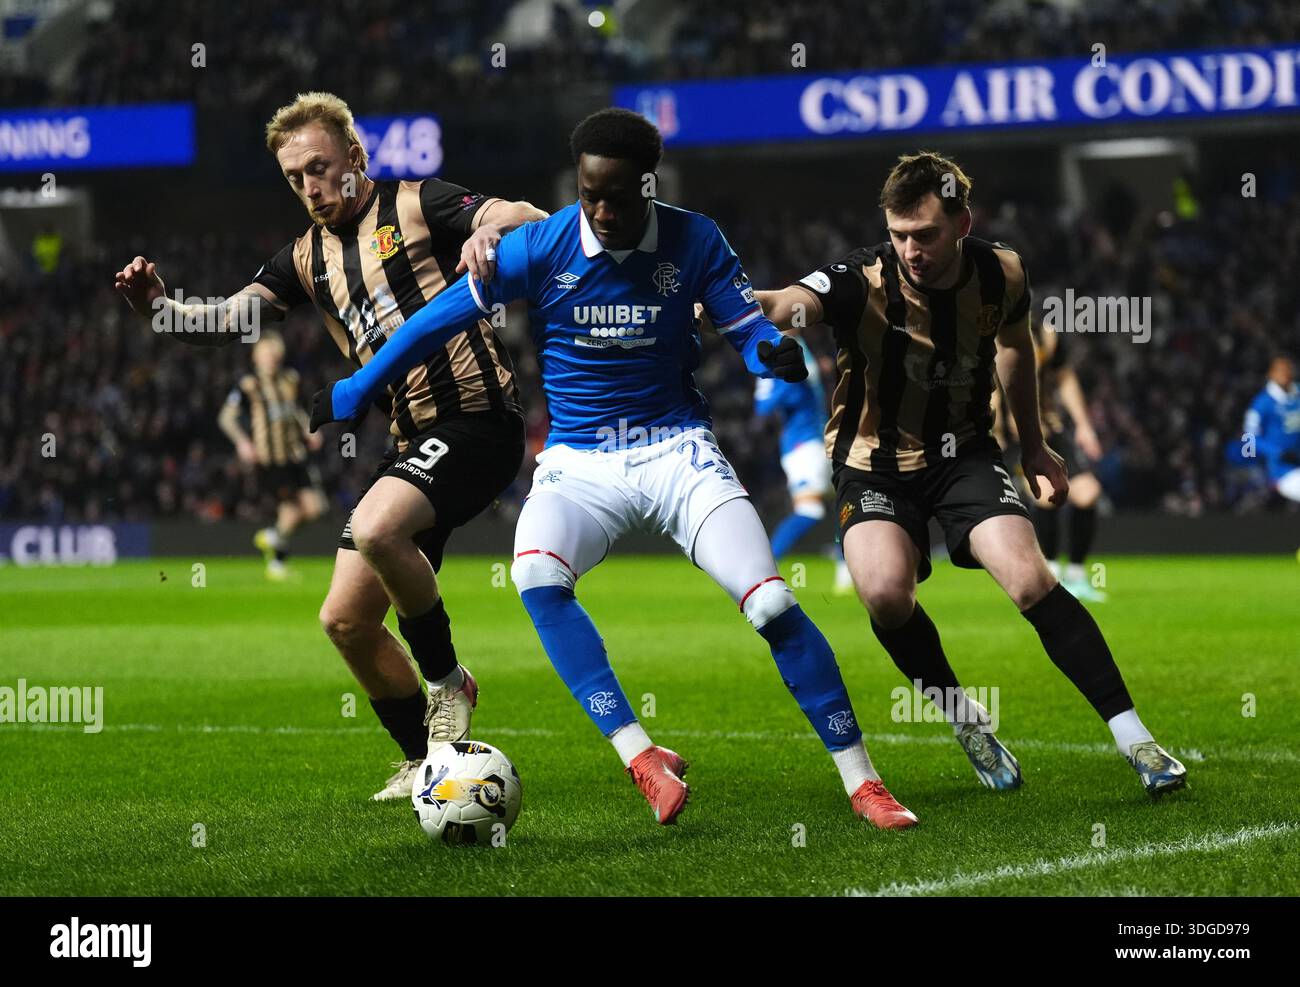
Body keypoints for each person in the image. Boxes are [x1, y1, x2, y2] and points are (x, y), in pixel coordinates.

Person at [311, 108, 918, 829]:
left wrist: (770, 354)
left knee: (771, 605)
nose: (601, 211)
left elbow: (746, 329)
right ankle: (640, 755)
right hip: (579, 461)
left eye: (617, 196)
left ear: (648, 186)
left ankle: (863, 780)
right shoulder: (541, 245)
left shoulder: (695, 239)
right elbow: (431, 323)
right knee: (537, 576)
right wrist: (353, 388)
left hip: (677, 449)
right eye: (588, 194)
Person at [114, 91, 548, 800]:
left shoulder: (416, 204)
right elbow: (227, 320)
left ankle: (449, 683)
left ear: (354, 158)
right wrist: (157, 308)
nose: (311, 187)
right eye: (295, 178)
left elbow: (520, 214)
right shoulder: (304, 258)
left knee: (378, 527)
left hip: (478, 418)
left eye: (320, 168)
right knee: (344, 620)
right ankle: (425, 760)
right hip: (411, 441)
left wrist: (488, 231)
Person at [754, 151, 1187, 799]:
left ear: (962, 222)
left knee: (1029, 577)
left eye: (925, 234)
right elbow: (791, 302)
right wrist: (732, 308)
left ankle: (1138, 740)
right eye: (899, 234)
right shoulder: (861, 278)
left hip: (965, 455)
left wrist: (1036, 447)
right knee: (884, 594)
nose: (910, 249)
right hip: (871, 462)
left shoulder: (1000, 271)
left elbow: (1015, 348)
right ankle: (967, 720)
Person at [217, 331, 325, 580]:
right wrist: (243, 443)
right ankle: (277, 564)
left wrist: (308, 431)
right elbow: (226, 417)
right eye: (266, 355)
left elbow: (294, 410)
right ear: (256, 357)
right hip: (271, 459)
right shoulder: (248, 385)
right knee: (290, 510)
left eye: (274, 355)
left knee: (315, 508)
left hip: (295, 454)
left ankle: (273, 537)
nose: (271, 359)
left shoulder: (290, 379)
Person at [752, 336, 853, 592]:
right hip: (802, 446)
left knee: (843, 502)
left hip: (819, 440)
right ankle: (764, 565)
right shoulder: (775, 360)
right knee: (811, 510)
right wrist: (791, 386)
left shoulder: (801, 348)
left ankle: (846, 567)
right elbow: (763, 406)